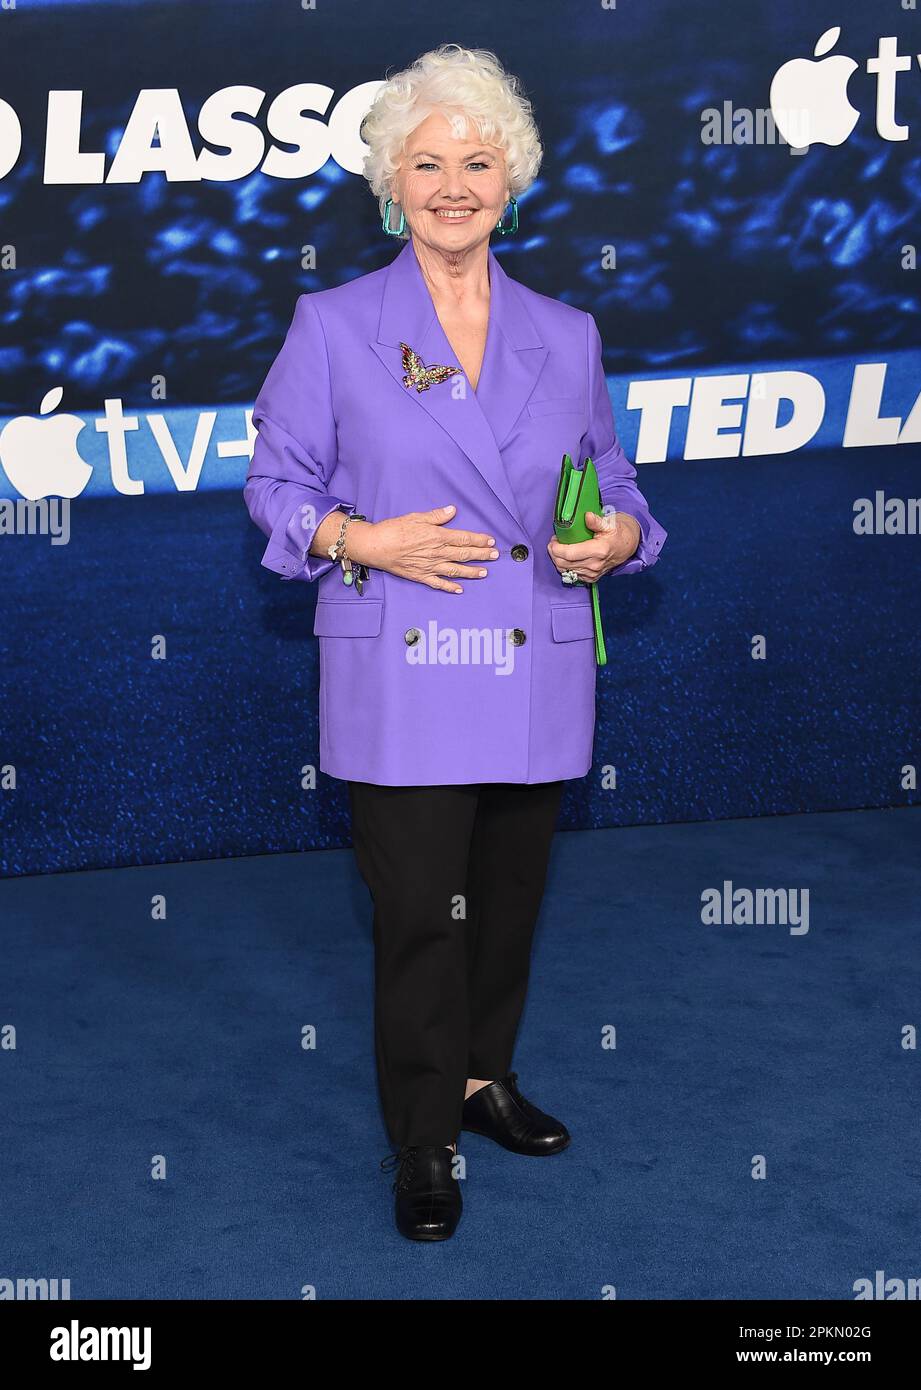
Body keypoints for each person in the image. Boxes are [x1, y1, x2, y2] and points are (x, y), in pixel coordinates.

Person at [244, 43, 666, 1241]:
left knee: (512, 898)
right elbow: (274, 484)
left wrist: (619, 537)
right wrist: (358, 539)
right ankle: (423, 1139)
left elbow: (614, 479)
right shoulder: (333, 325)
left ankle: (484, 1081)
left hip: (531, 660)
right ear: (390, 182)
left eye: (477, 162)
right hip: (405, 663)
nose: (453, 185)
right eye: (426, 163)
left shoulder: (567, 330)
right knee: (425, 908)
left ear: (512, 179)